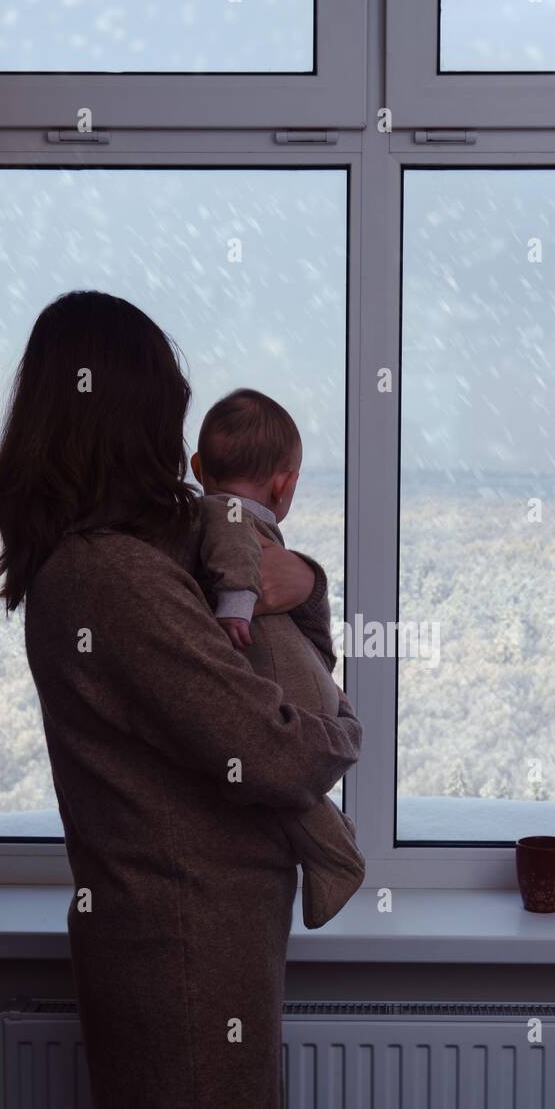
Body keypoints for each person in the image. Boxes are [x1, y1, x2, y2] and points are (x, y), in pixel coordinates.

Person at [0, 290, 362, 1109]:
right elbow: (271, 751)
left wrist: (305, 581)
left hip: (179, 945)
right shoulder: (114, 579)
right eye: (163, 411)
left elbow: (246, 580)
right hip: (187, 952)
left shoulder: (110, 563)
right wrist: (337, 733)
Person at [192, 387, 365, 929]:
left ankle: (338, 858)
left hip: (288, 676)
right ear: (286, 483)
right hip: (292, 676)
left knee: (288, 778)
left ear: (198, 467)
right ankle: (338, 858)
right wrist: (238, 608)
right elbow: (236, 554)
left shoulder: (214, 507)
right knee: (292, 779)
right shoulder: (232, 513)